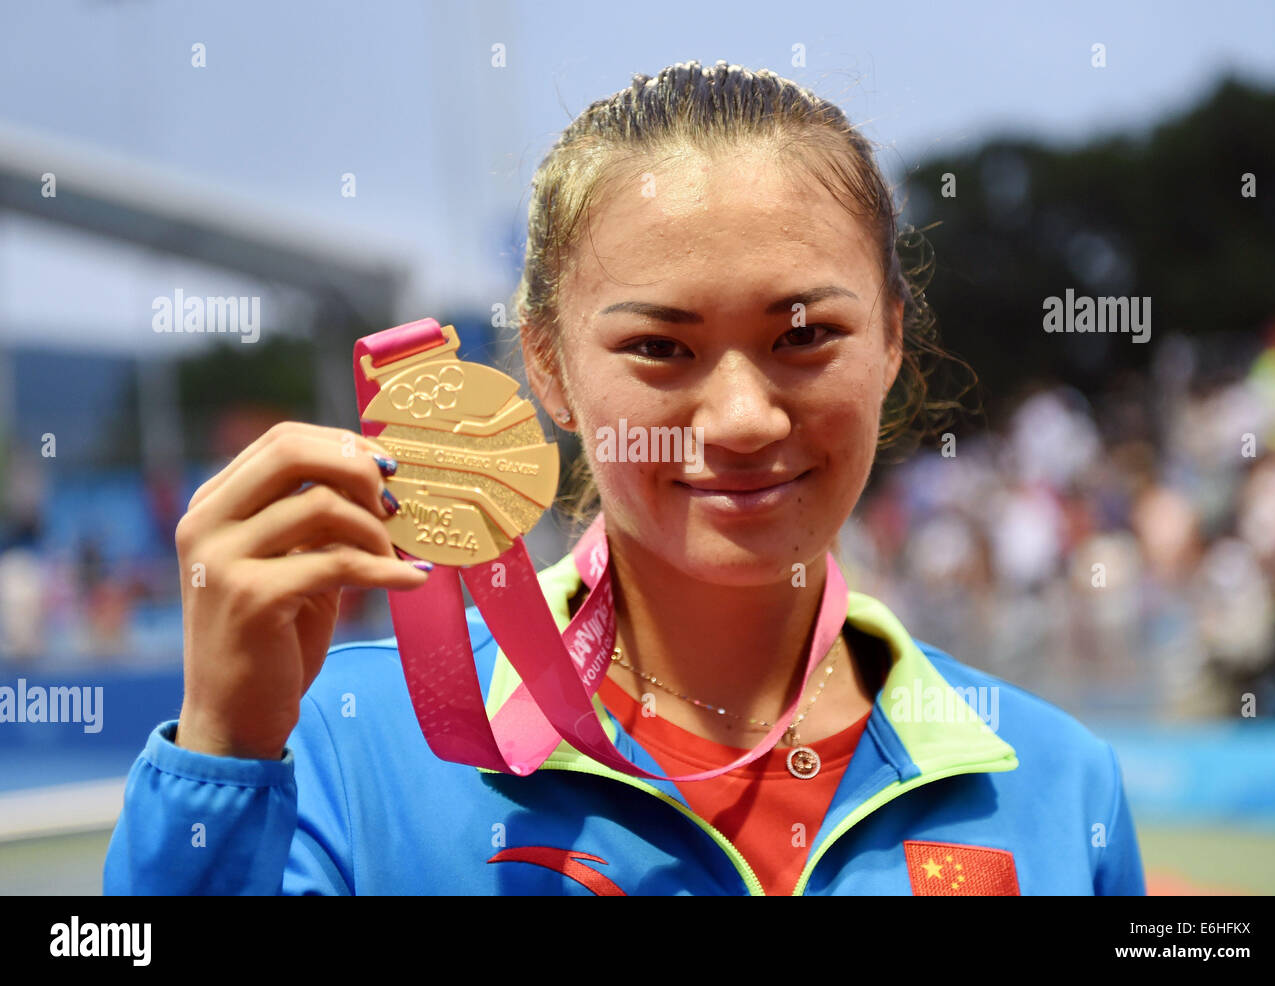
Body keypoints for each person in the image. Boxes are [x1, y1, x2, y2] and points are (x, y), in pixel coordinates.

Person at [103, 60, 1145, 896]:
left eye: (805, 335)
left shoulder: (1055, 782)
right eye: (659, 347)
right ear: (549, 367)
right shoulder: (343, 746)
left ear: (891, 341)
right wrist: (225, 755)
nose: (742, 418)